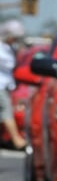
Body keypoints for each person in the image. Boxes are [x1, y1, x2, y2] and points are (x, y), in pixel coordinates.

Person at [0, 19, 29, 151]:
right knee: (6, 112)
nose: (15, 40)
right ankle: (16, 139)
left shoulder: (9, 48)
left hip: (6, 86)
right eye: (14, 37)